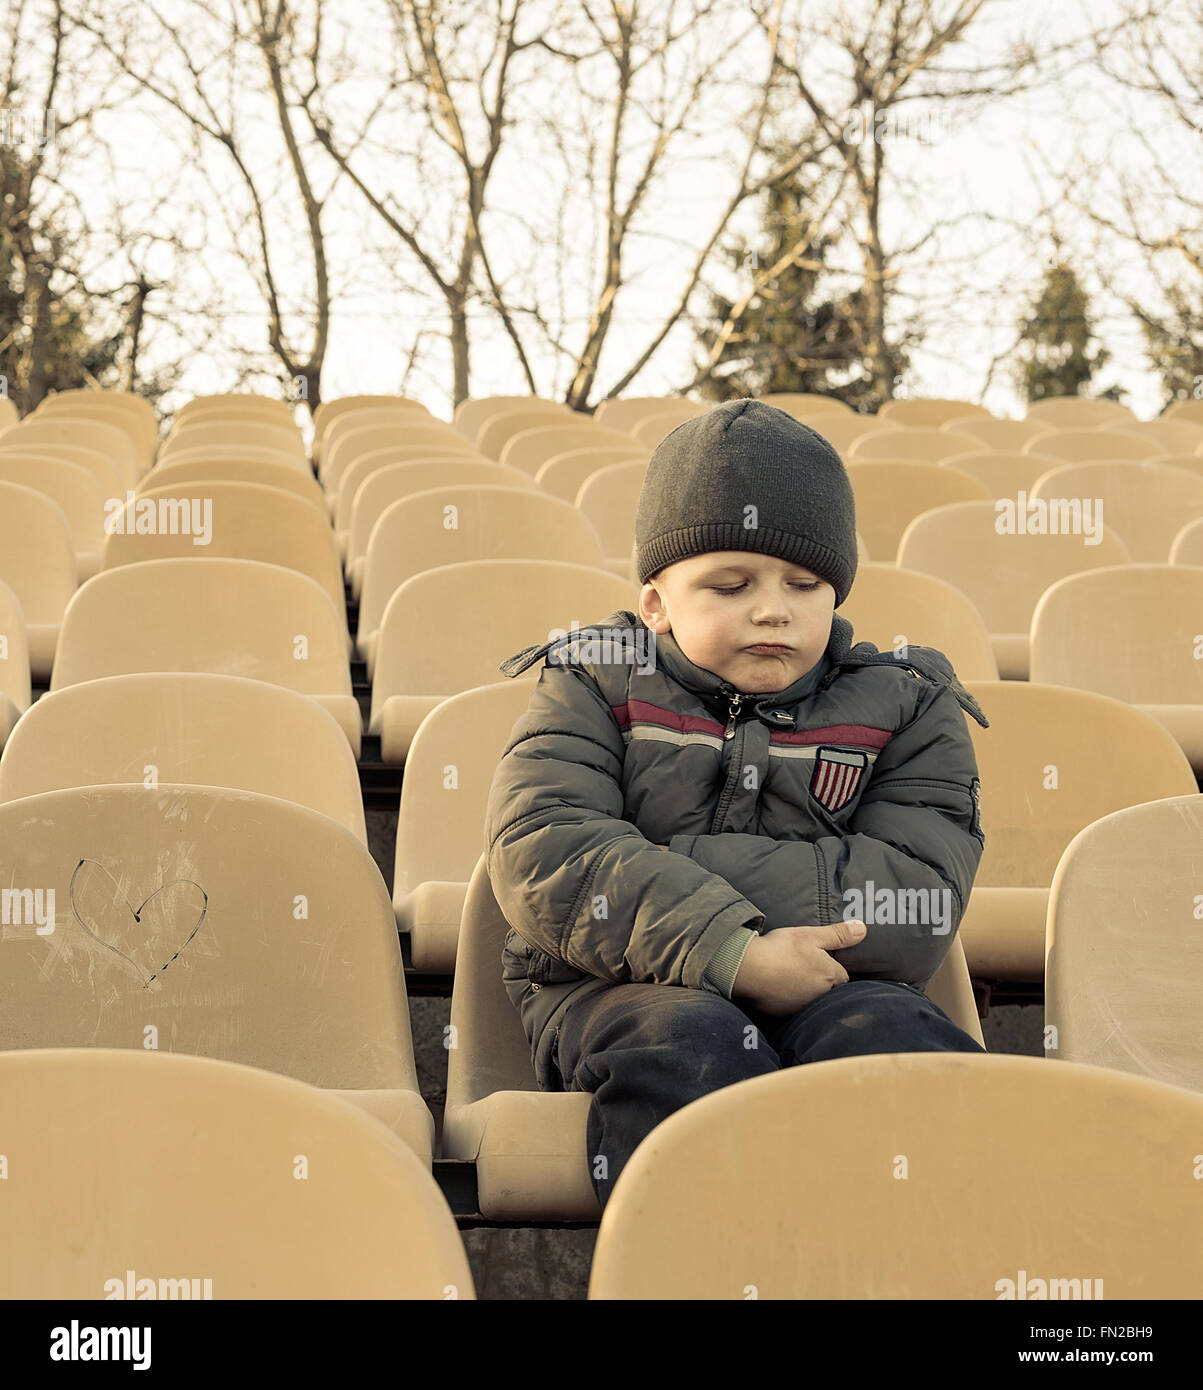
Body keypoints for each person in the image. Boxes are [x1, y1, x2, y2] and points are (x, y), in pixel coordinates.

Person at [484, 397, 989, 1210]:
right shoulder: (591, 682)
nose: (771, 609)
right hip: (614, 987)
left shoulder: (907, 703)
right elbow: (547, 852)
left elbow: (918, 892)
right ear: (655, 604)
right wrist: (732, 951)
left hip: (844, 984)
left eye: (804, 583)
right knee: (691, 1045)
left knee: (901, 1052)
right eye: (729, 584)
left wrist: (671, 865)